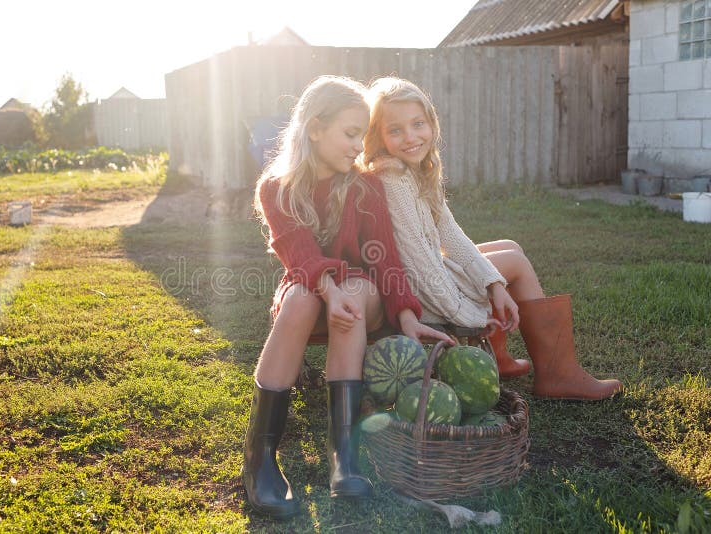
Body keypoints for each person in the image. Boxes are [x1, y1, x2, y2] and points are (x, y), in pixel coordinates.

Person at [245, 75, 450, 519]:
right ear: (315, 128)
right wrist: (326, 289)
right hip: (308, 286)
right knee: (301, 298)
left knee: (353, 295)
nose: (360, 146)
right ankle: (260, 458)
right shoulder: (276, 188)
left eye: (363, 135)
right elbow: (298, 254)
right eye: (350, 133)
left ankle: (344, 454)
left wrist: (408, 314)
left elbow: (387, 261)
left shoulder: (364, 188)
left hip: (361, 292)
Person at [361, 76, 622, 401]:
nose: (411, 137)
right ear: (378, 136)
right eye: (396, 130)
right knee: (515, 261)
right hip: (416, 295)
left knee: (509, 248)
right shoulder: (394, 179)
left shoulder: (414, 170)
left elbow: (450, 235)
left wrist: (493, 283)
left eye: (418, 124)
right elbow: (420, 266)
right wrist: (468, 315)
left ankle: (497, 358)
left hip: (424, 275)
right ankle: (558, 373)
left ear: (432, 123)